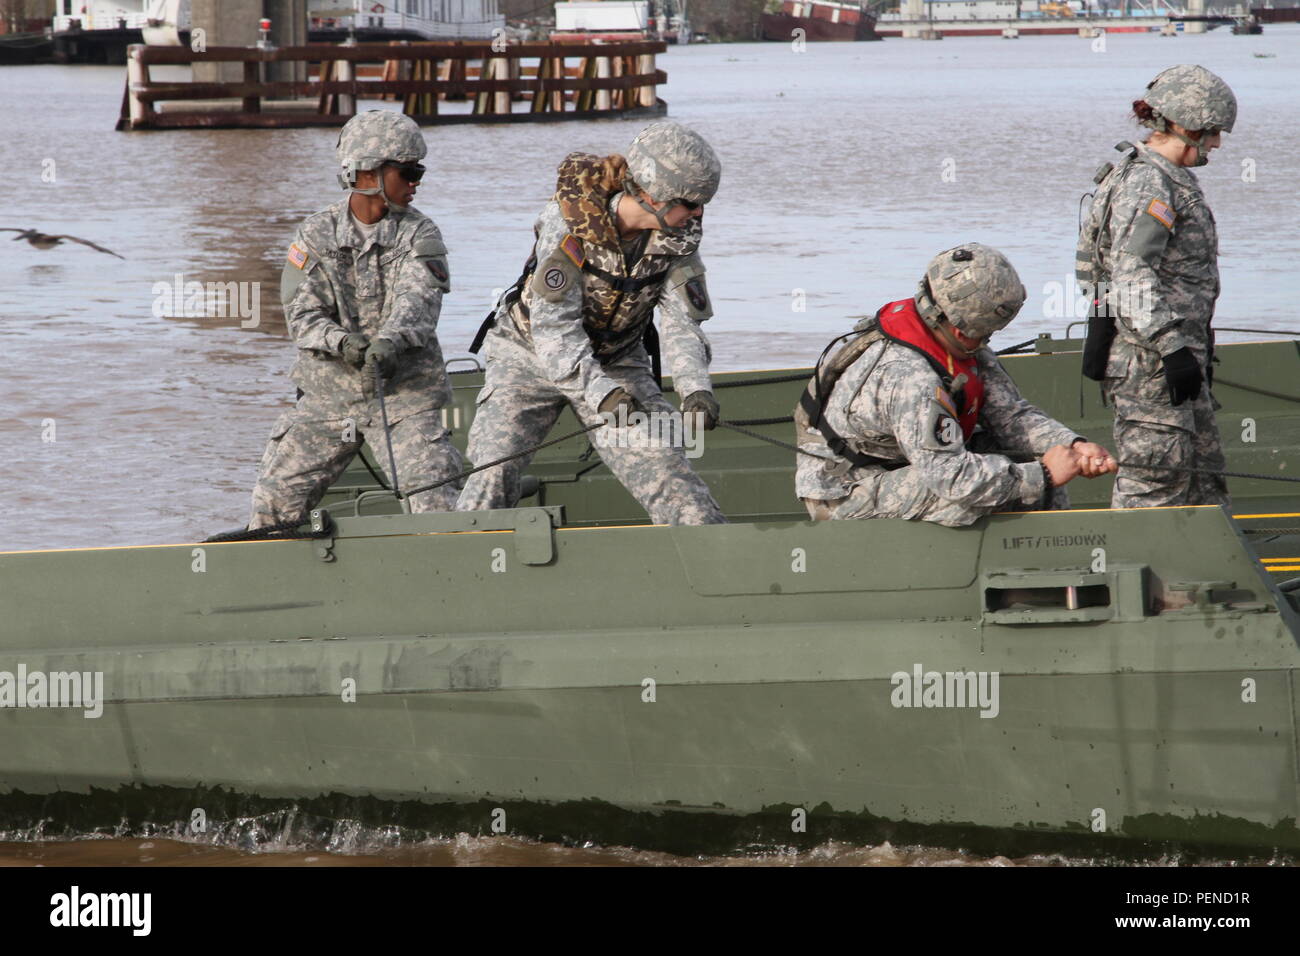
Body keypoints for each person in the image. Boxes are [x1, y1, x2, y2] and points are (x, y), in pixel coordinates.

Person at [456, 121, 727, 525]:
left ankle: (714, 570)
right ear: (654, 193)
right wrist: (601, 394)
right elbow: (553, 330)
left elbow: (681, 324)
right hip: (527, 358)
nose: (698, 213)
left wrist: (695, 390)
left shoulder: (678, 239)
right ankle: (457, 569)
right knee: (491, 479)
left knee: (673, 481)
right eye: (690, 202)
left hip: (618, 361)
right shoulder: (568, 228)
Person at [247, 110, 464, 529]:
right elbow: (302, 314)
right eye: (409, 171)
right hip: (329, 398)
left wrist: (390, 341)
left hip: (403, 397)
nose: (417, 182)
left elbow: (418, 301)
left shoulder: (420, 234)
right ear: (367, 172)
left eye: (419, 171)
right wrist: (342, 343)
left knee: (435, 502)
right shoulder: (315, 234)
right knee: (274, 504)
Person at [795, 243, 1117, 526]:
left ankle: (1055, 569)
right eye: (987, 334)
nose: (987, 341)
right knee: (982, 494)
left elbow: (1011, 416)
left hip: (902, 462)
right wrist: (1043, 474)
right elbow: (952, 477)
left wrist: (1070, 446)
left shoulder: (951, 333)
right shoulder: (910, 378)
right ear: (965, 331)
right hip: (844, 489)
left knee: (1033, 470)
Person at [1077, 64, 1237, 509]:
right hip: (1152, 365)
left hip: (1179, 361)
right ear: (1184, 125)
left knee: (1203, 489)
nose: (1217, 143)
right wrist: (1171, 346)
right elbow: (1131, 273)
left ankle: (1201, 578)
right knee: (1154, 491)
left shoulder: (1167, 178)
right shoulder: (1149, 181)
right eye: (1211, 131)